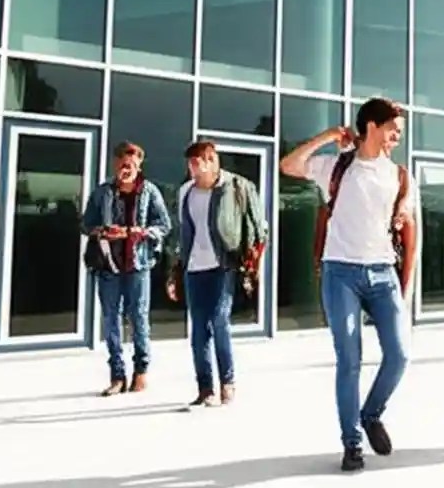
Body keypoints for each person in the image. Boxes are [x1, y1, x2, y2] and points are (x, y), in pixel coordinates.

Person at [280, 98, 417, 472]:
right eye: (393, 130)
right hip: (341, 273)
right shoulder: (337, 166)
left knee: (400, 354)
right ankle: (352, 442)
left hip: (382, 273)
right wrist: (327, 136)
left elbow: (411, 232)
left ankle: (371, 413)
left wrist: (404, 286)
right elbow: (288, 166)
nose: (396, 138)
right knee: (349, 360)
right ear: (371, 126)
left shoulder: (400, 175)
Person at [168, 140, 268, 408]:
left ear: (212, 161)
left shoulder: (237, 187)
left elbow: (260, 228)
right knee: (199, 329)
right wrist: (176, 266)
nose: (191, 168)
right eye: (189, 163)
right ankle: (205, 389)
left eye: (196, 163)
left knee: (219, 319)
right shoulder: (186, 191)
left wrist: (253, 262)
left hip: (224, 265)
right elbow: (182, 232)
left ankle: (228, 382)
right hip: (194, 267)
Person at [81, 142, 172, 396]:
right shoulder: (102, 192)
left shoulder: (150, 191)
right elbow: (86, 223)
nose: (126, 168)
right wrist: (101, 231)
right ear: (115, 164)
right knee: (111, 319)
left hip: (138, 264)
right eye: (122, 163)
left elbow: (164, 225)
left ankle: (141, 371)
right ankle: (117, 375)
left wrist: (135, 232)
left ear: (139, 165)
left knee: (139, 318)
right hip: (108, 264)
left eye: (131, 164)